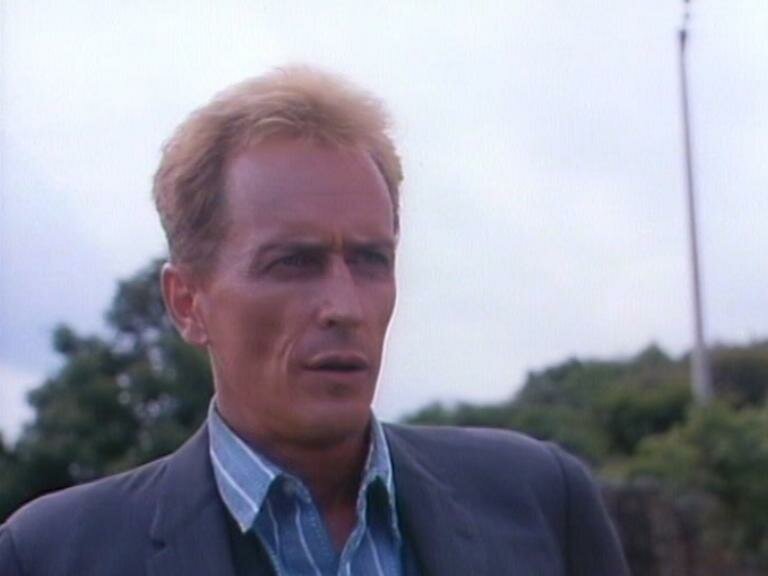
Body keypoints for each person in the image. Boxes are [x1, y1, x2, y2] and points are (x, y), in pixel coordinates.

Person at [0, 66, 629, 575]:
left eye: (371, 260)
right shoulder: (52, 556)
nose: (345, 307)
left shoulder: (540, 501)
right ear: (188, 302)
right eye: (293, 263)